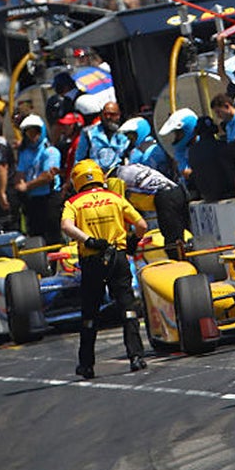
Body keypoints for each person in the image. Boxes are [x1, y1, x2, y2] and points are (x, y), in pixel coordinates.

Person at [60, 159, 148, 378]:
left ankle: (87, 365)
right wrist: (132, 242)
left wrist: (88, 240)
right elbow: (142, 225)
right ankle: (136, 357)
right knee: (128, 309)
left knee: (89, 315)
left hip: (92, 261)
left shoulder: (74, 203)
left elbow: (66, 227)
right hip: (117, 258)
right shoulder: (115, 198)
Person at [107, 161, 189, 255]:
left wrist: (127, 242)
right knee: (178, 238)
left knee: (173, 245)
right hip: (178, 192)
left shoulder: (113, 180)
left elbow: (120, 211)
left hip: (165, 197)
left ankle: (180, 266)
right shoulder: (128, 169)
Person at [13, 115, 62, 242]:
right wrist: (20, 183)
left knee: (53, 236)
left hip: (49, 198)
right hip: (33, 200)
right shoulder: (25, 152)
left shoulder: (50, 151)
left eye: (35, 132)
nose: (32, 136)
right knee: (35, 235)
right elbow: (20, 173)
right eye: (29, 132)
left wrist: (26, 186)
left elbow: (47, 176)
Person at [74, 101, 130, 174]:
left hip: (117, 177)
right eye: (105, 114)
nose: (108, 117)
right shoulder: (89, 133)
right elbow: (79, 159)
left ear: (118, 115)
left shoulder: (124, 135)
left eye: (112, 114)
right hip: (96, 176)